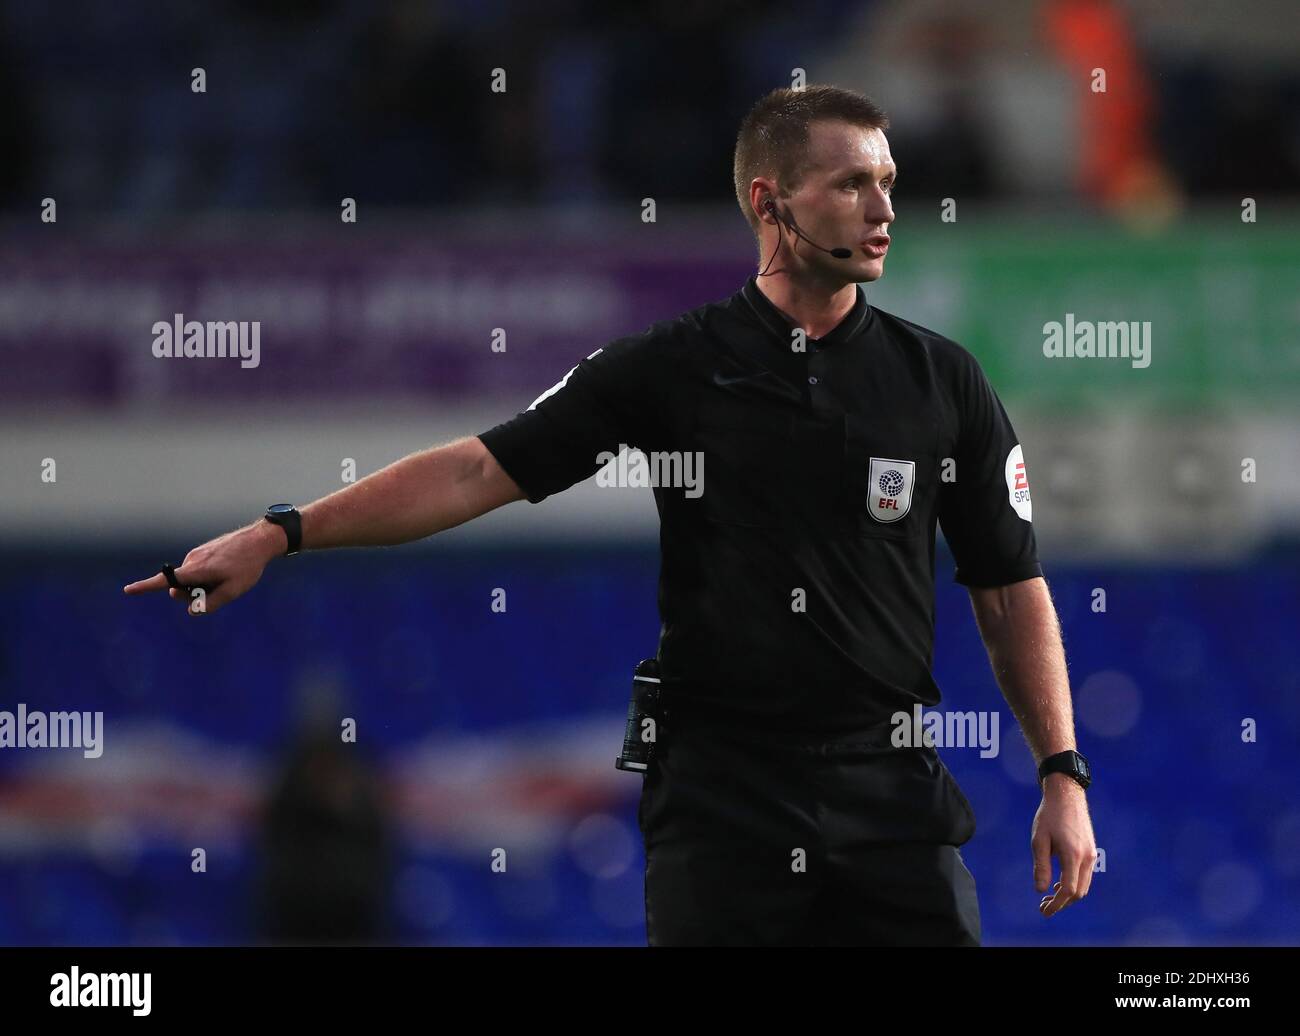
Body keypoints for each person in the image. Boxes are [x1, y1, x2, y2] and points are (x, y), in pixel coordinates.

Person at [125, 84, 1097, 946]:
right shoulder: (672, 367)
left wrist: (1061, 772)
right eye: (851, 184)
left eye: (887, 182)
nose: (883, 208)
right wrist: (283, 531)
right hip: (724, 804)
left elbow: (1009, 590)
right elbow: (476, 470)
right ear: (769, 202)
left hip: (891, 796)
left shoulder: (942, 382)